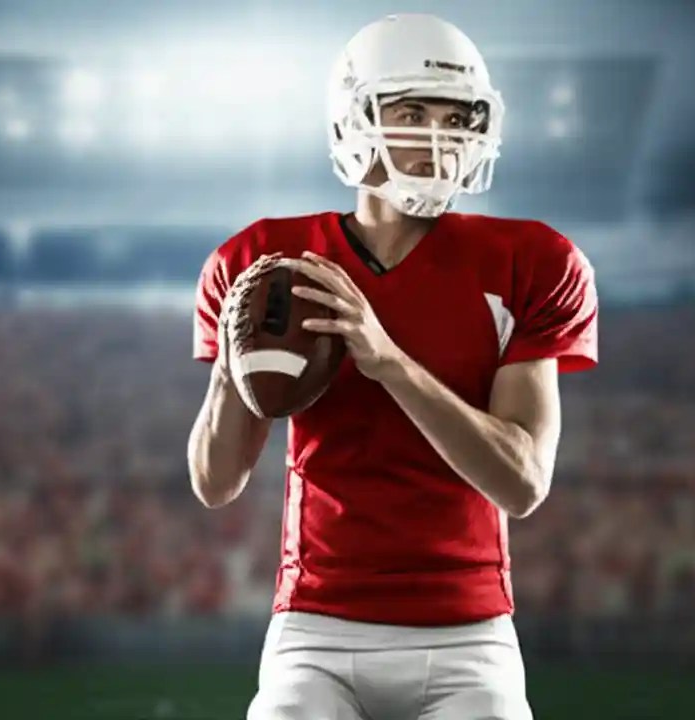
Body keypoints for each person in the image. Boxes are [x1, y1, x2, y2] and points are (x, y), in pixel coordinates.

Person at [187, 13, 598, 720]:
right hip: (316, 629)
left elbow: (523, 482)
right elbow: (215, 483)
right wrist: (233, 363)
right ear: (353, 121)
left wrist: (388, 362)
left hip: (469, 633)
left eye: (457, 117)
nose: (441, 138)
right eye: (412, 113)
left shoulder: (533, 261)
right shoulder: (262, 260)